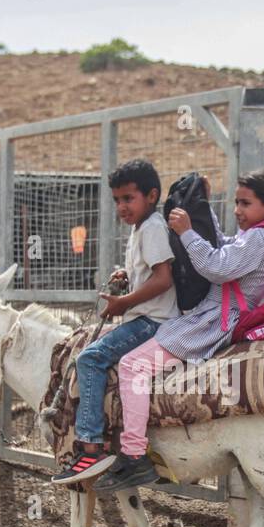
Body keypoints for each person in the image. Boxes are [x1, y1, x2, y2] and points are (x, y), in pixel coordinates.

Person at [94, 169, 264, 493]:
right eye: (235, 203)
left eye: (245, 203)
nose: (238, 210)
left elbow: (217, 267)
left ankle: (134, 456)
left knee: (133, 366)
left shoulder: (261, 238)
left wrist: (188, 232)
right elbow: (225, 246)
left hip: (212, 321)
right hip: (213, 315)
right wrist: (203, 212)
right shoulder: (263, 234)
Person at [51, 158, 178, 484]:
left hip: (153, 321)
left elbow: (163, 279)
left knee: (90, 358)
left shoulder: (151, 229)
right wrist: (127, 277)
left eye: (128, 199)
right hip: (145, 315)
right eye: (117, 200)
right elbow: (148, 274)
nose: (121, 207)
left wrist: (124, 302)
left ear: (151, 196)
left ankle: (90, 447)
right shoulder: (140, 228)